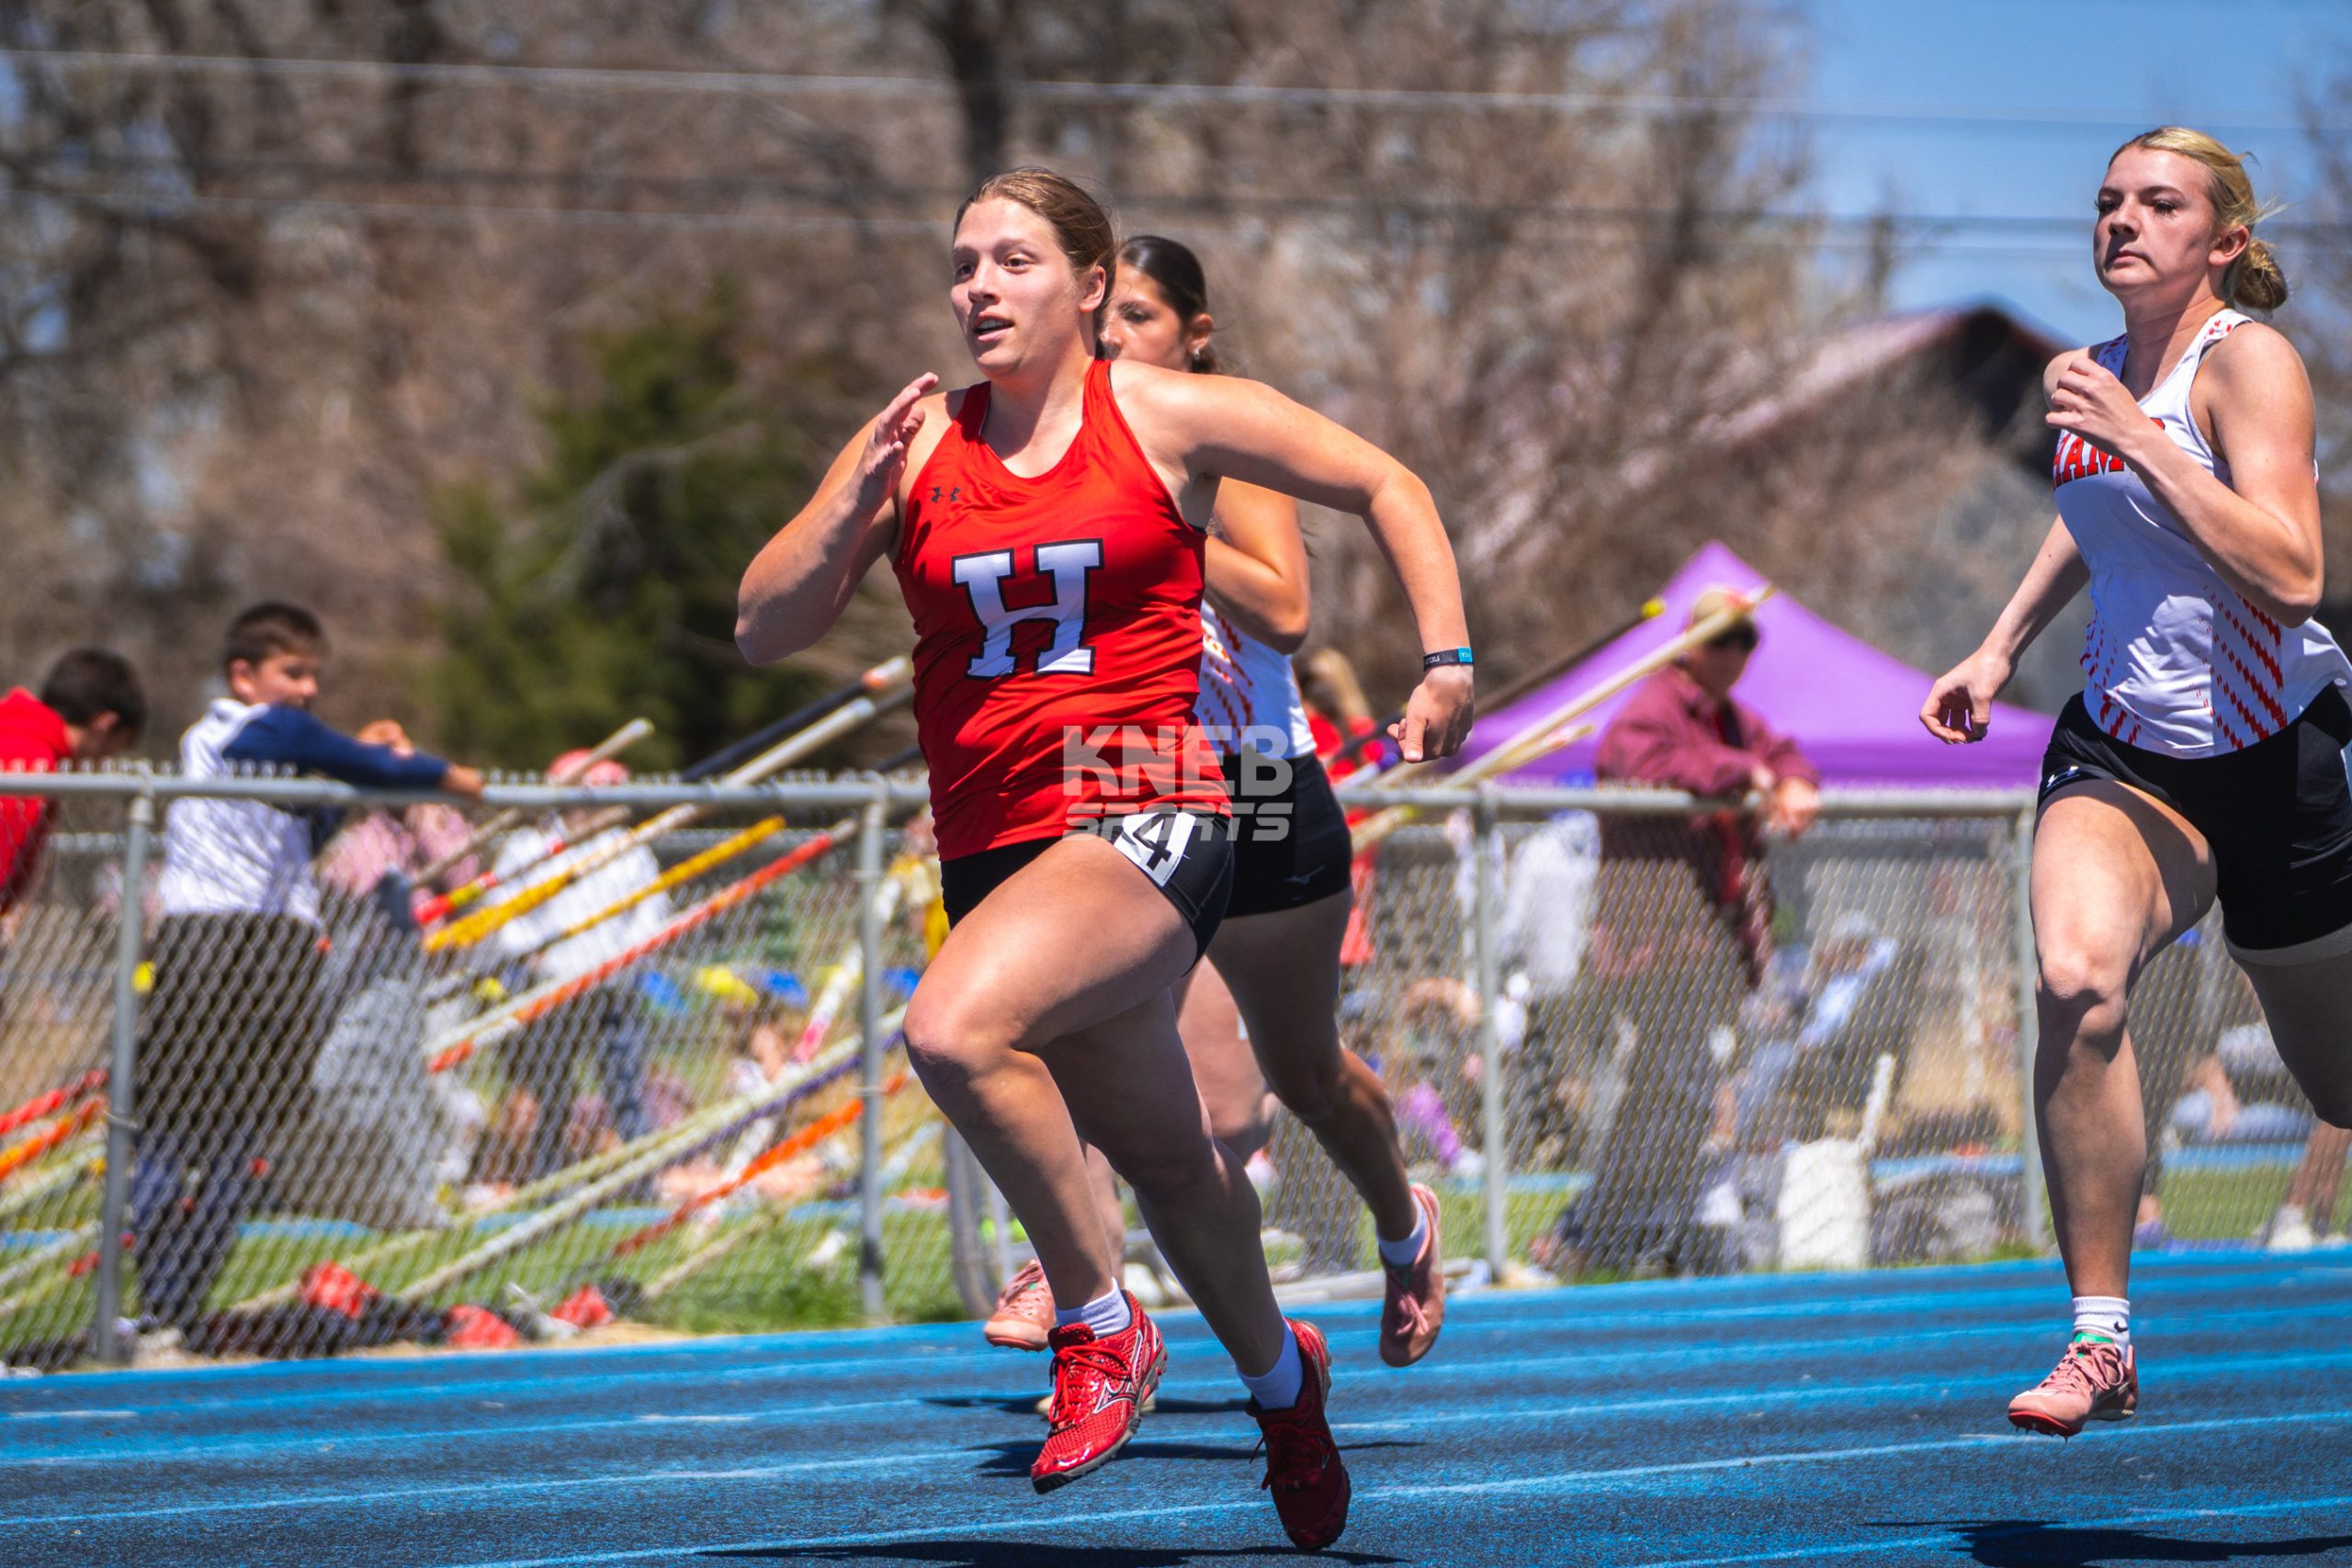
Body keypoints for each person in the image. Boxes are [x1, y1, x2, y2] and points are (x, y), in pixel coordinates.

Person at [737, 170, 1472, 1549]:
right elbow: (761, 626)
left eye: (1012, 259)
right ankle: (1282, 1384)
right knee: (1176, 1164)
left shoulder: (1170, 413)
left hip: (1166, 785)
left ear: (1087, 288)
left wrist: (1448, 660)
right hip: (993, 829)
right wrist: (844, 512)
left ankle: (1099, 1316)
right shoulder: (915, 443)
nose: (977, 287)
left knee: (955, 1027)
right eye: (962, 263)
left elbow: (1384, 480)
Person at [1921, 128, 2352, 1438]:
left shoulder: (2251, 364)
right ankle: (2102, 1334)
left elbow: (2290, 573)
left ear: (2222, 240)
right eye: (2108, 201)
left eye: (2158, 204)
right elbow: (2089, 509)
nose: (2122, 221)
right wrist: (1998, 644)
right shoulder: (2092, 373)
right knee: (2073, 980)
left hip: (2276, 757)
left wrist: (2145, 439)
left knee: (2338, 1089)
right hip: (2125, 749)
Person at [978, 234, 1446, 1371]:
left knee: (1303, 1079)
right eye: (1106, 317)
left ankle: (1403, 1219)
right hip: (1126, 769)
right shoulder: (1059, 447)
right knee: (1078, 1029)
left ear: (1194, 334)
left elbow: (1284, 613)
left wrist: (1167, 519)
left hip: (1259, 781)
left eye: (1140, 317)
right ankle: (1074, 1267)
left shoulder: (1220, 448)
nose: (1114, 338)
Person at [135, 603, 482, 1333]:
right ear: (243, 674)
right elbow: (356, 762)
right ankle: (155, 1300)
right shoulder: (246, 728)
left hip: (277, 944)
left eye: (314, 676)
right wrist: (449, 776)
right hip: (213, 942)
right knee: (173, 1127)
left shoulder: (261, 752)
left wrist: (360, 768)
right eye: (292, 672)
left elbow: (313, 821)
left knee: (238, 1135)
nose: (306, 689)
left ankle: (174, 1308)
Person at [1541, 588, 1819, 1279]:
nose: (1735, 653)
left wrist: (1790, 780)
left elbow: (1783, 753)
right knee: (1682, 1083)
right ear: (1691, 642)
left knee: (1665, 1090)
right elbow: (1636, 762)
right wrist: (1741, 775)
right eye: (1724, 638)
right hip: (1656, 939)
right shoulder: (1652, 706)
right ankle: (1613, 1230)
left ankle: (1592, 1235)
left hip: (1715, 939)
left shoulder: (1733, 718)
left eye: (1746, 641)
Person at [484, 751, 670, 1179]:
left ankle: (639, 1182)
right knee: (551, 1088)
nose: (598, 809)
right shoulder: (529, 847)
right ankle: (549, 1180)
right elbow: (502, 907)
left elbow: (651, 906)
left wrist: (625, 956)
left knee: (624, 1083)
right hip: (550, 984)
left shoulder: (625, 846)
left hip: (612, 986)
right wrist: (531, 951)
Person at [0, 649, 146, 919]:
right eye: (117, 746)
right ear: (104, 725)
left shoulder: (20, 737)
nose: (106, 762)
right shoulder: (30, 764)